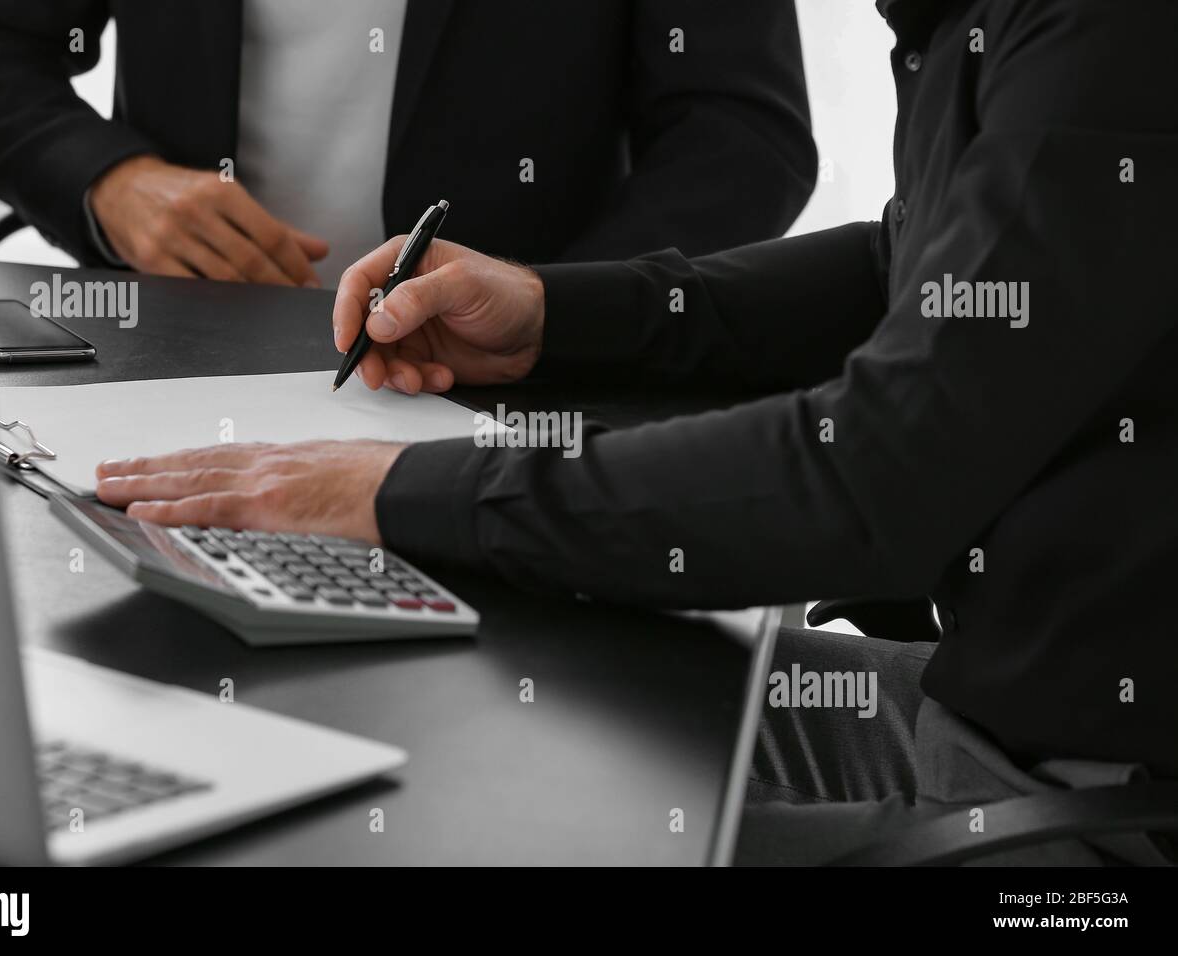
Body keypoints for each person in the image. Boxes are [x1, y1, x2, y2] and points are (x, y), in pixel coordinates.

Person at [95, 0, 1178, 864]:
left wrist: (393, 491)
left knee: (433, 820)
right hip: (982, 704)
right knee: (459, 695)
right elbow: (903, 264)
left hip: (1082, 808)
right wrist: (550, 315)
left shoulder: (1109, 38)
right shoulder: (992, 30)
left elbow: (873, 476)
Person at [0, 0, 816, 287]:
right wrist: (111, 183)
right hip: (176, 348)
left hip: (510, 395)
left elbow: (742, 134)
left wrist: (561, 310)